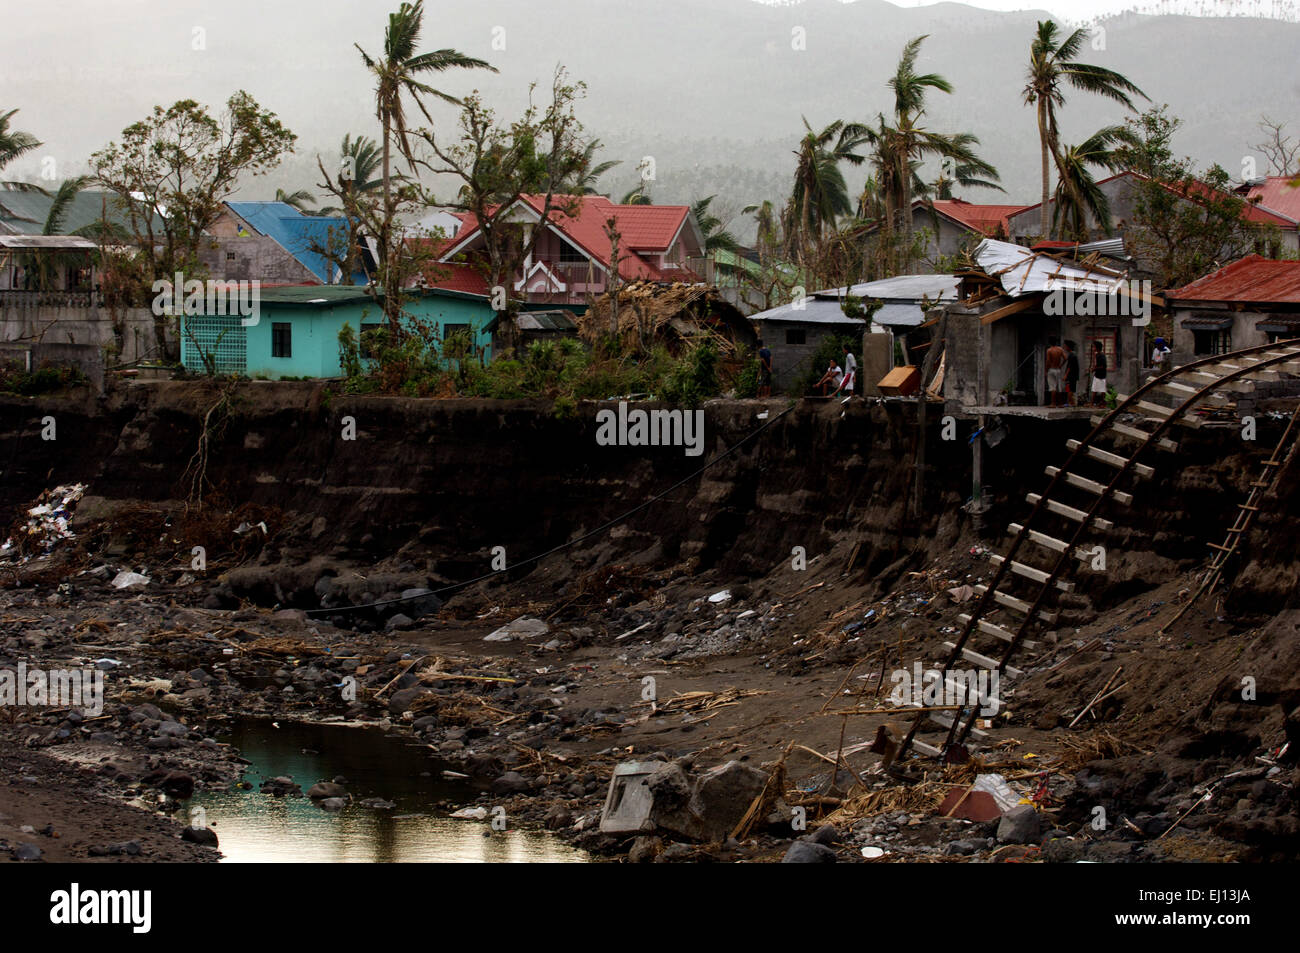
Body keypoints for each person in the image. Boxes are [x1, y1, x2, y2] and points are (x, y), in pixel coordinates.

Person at [1044, 337, 1067, 407]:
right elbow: (1065, 358)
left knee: (1052, 387)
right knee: (1059, 387)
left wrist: (1046, 370)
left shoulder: (1049, 350)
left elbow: (1048, 361)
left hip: (1052, 369)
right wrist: (1061, 365)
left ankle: (1053, 403)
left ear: (1050, 343)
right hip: (1058, 369)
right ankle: (1060, 403)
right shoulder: (1060, 349)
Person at [1089, 340, 1108, 406]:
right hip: (1097, 375)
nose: (1093, 348)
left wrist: (1094, 369)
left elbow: (1103, 366)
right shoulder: (1097, 355)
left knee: (1102, 390)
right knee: (1094, 389)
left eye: (1094, 347)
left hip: (1101, 375)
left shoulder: (1102, 355)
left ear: (1097, 348)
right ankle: (1092, 403)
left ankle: (1103, 403)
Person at [1064, 340, 1081, 407]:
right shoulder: (1073, 355)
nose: (1065, 347)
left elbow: (1070, 367)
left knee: (1071, 390)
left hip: (1072, 376)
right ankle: (1071, 403)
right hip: (1073, 375)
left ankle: (1072, 403)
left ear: (1068, 347)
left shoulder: (1072, 355)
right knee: (1070, 389)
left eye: (1065, 346)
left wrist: (1066, 375)